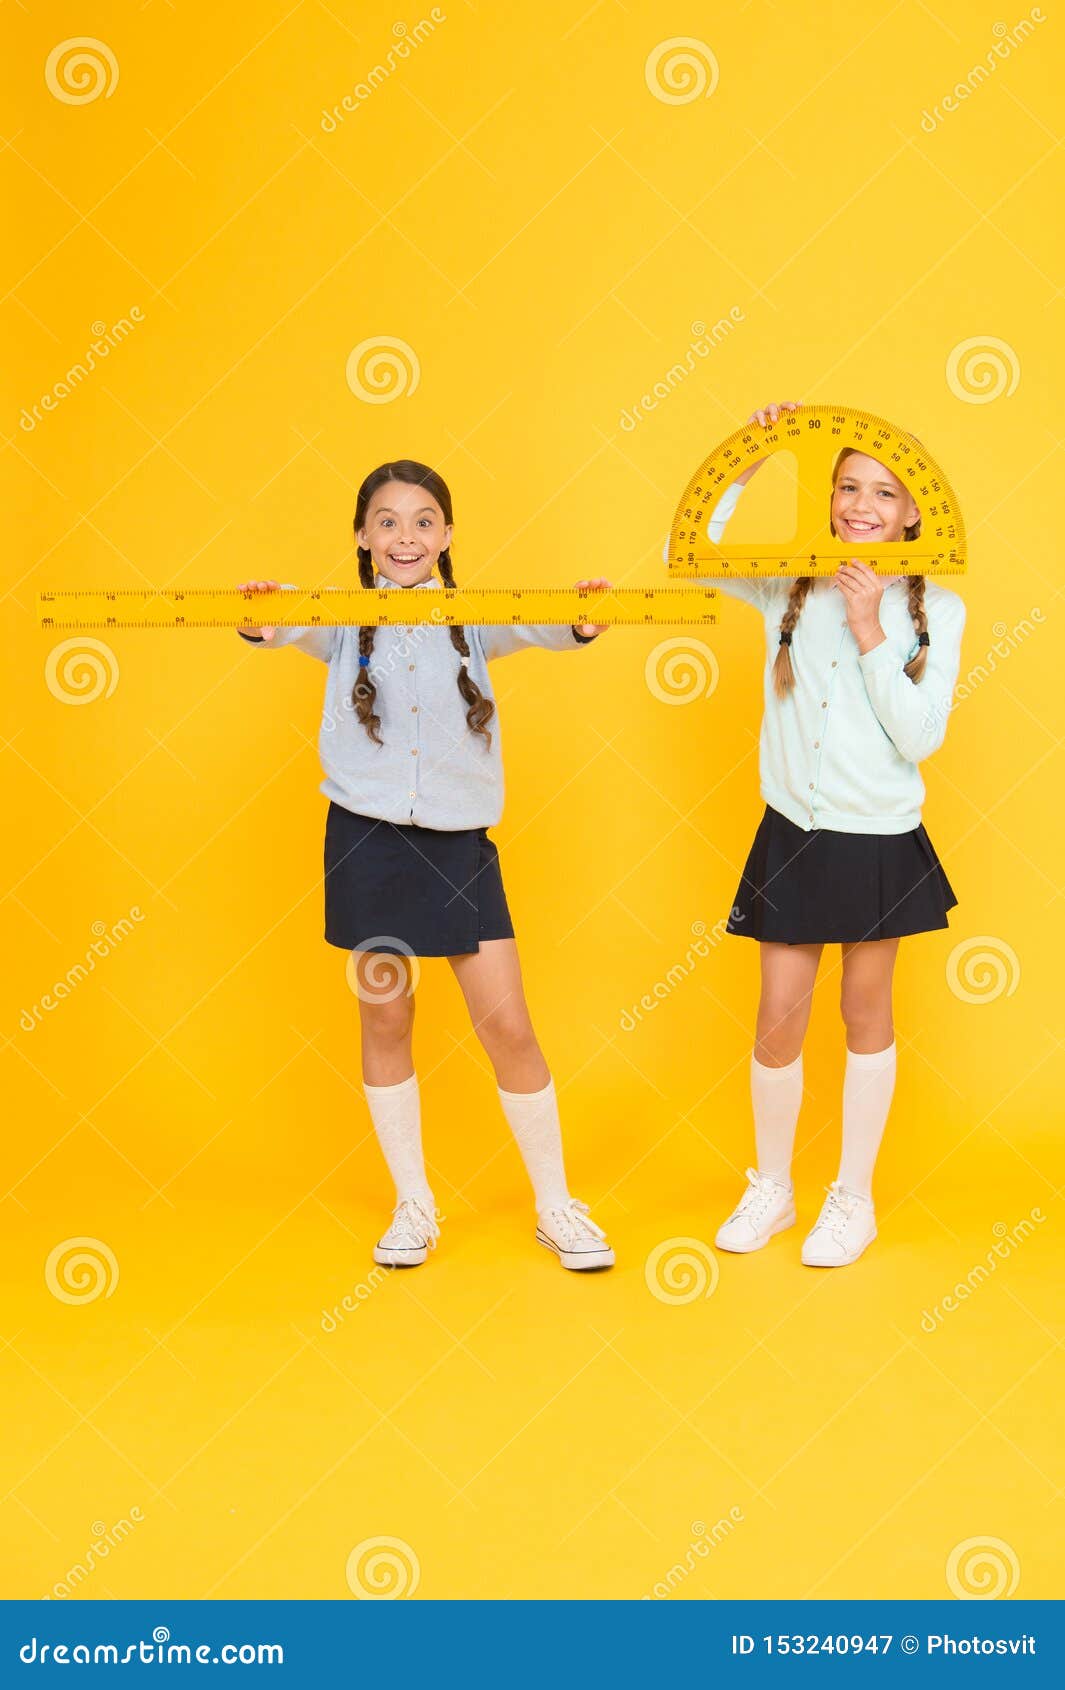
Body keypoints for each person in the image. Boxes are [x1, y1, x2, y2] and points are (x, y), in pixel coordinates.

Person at [238, 458, 615, 1272]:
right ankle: (413, 1205)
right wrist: (262, 617)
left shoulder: (470, 620)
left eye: (421, 522)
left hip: (458, 848)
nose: (403, 537)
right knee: (386, 1017)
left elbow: (543, 626)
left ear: (446, 536)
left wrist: (582, 621)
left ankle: (555, 1206)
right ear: (362, 537)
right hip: (366, 845)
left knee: (507, 1025)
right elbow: (287, 625)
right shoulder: (343, 622)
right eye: (386, 522)